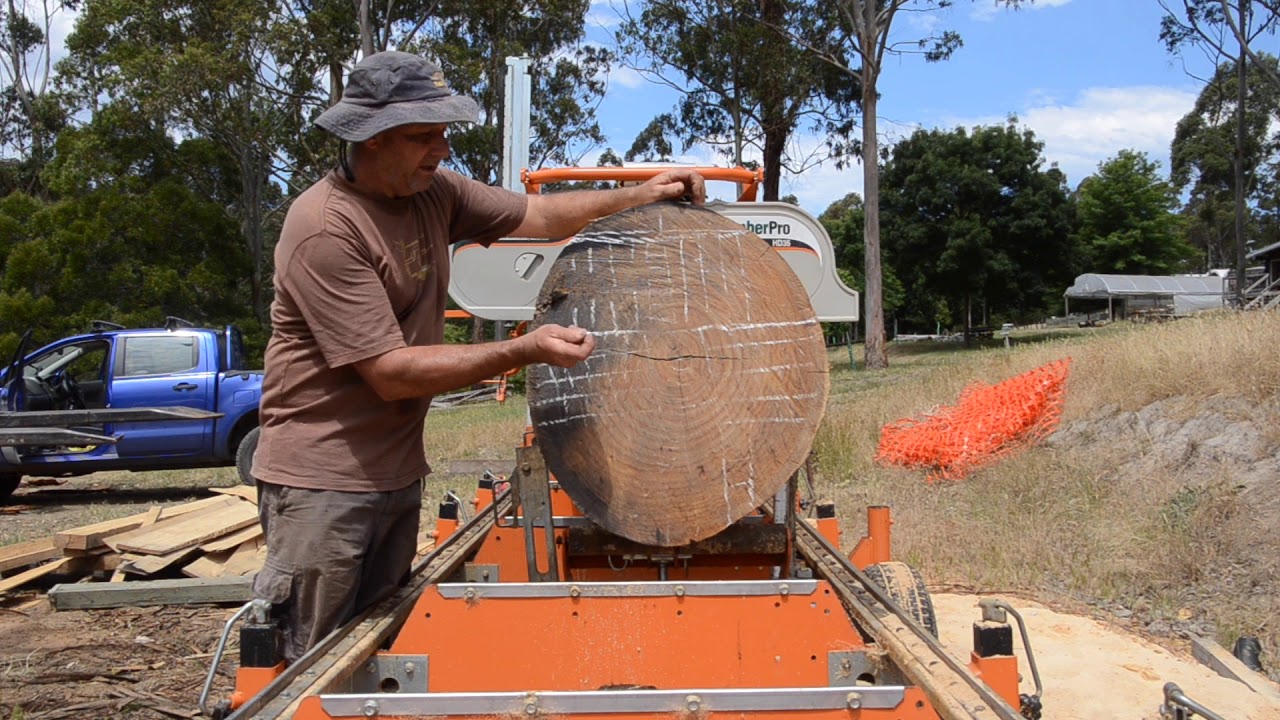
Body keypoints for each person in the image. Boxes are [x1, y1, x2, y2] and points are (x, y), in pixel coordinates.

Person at [249, 50, 705, 662]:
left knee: (372, 653)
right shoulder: (326, 229)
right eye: (422, 136)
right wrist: (523, 349)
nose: (440, 148)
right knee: (311, 665)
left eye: (444, 133)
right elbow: (388, 374)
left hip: (393, 472)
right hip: (322, 484)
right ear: (372, 138)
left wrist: (639, 195)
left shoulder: (431, 193)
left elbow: (539, 215)